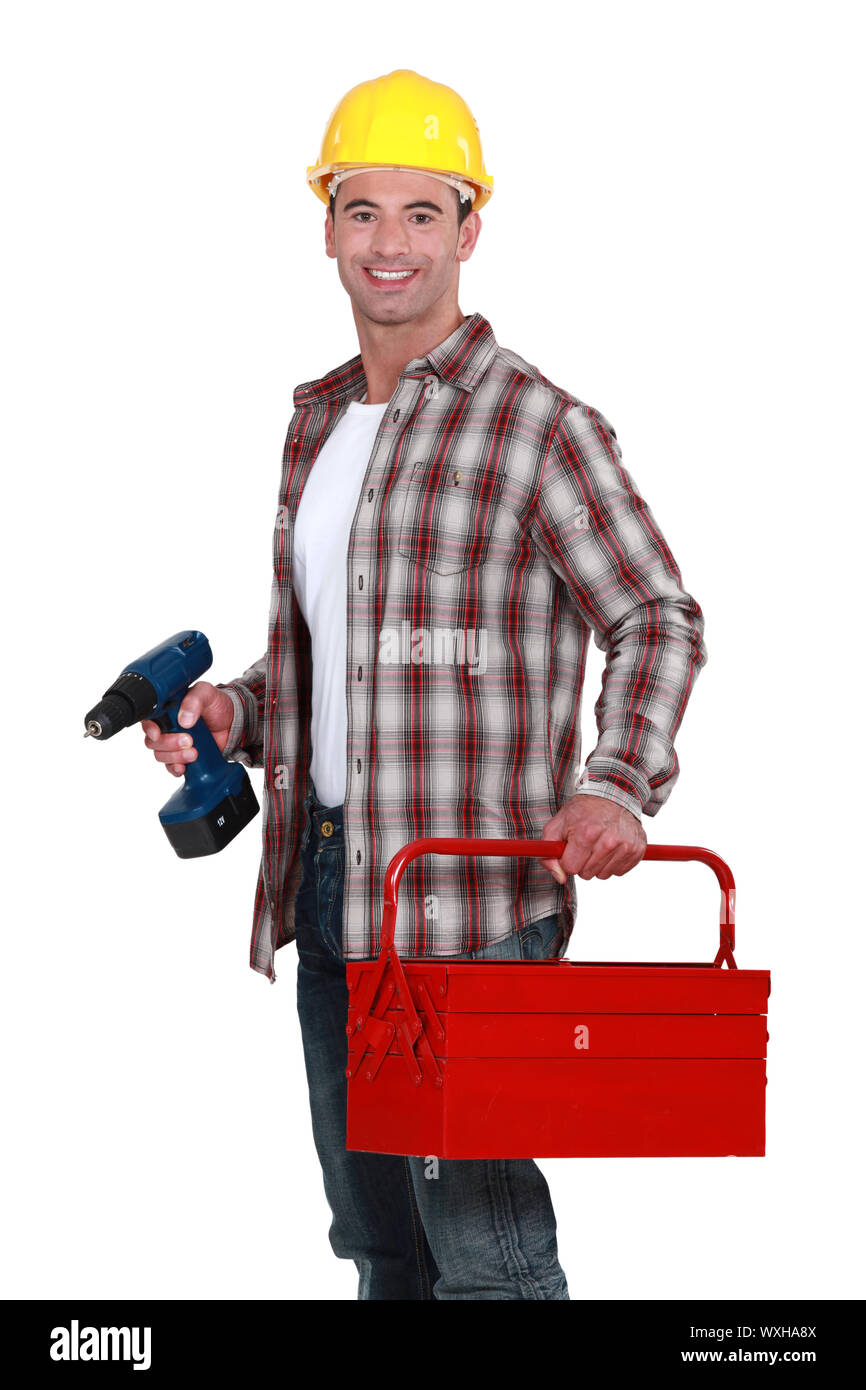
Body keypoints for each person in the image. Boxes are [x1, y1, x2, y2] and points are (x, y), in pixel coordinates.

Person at [141, 68, 708, 1300]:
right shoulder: (317, 423)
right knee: (377, 1242)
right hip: (332, 878)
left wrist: (616, 786)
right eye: (360, 212)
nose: (387, 244)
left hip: (468, 901)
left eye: (418, 213)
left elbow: (655, 615)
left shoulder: (535, 424)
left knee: (486, 1255)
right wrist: (241, 708)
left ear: (469, 228)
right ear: (326, 226)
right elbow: (341, 659)